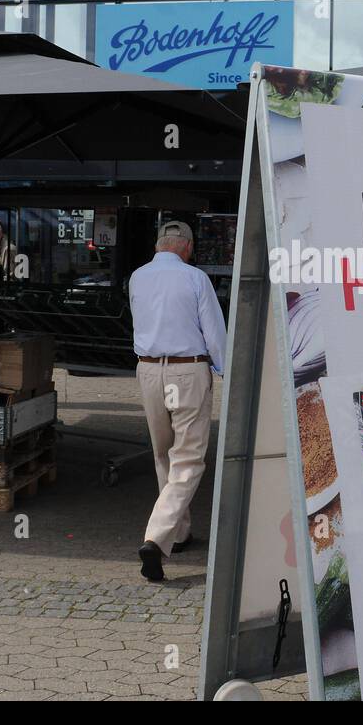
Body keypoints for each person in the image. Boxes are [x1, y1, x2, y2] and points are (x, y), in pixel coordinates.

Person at [129, 219, 226, 582]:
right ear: (186, 247)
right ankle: (156, 537)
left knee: (163, 454)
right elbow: (213, 332)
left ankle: (178, 533)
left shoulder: (137, 277)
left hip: (150, 371)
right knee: (188, 459)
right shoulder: (195, 278)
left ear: (158, 246)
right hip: (187, 372)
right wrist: (226, 370)